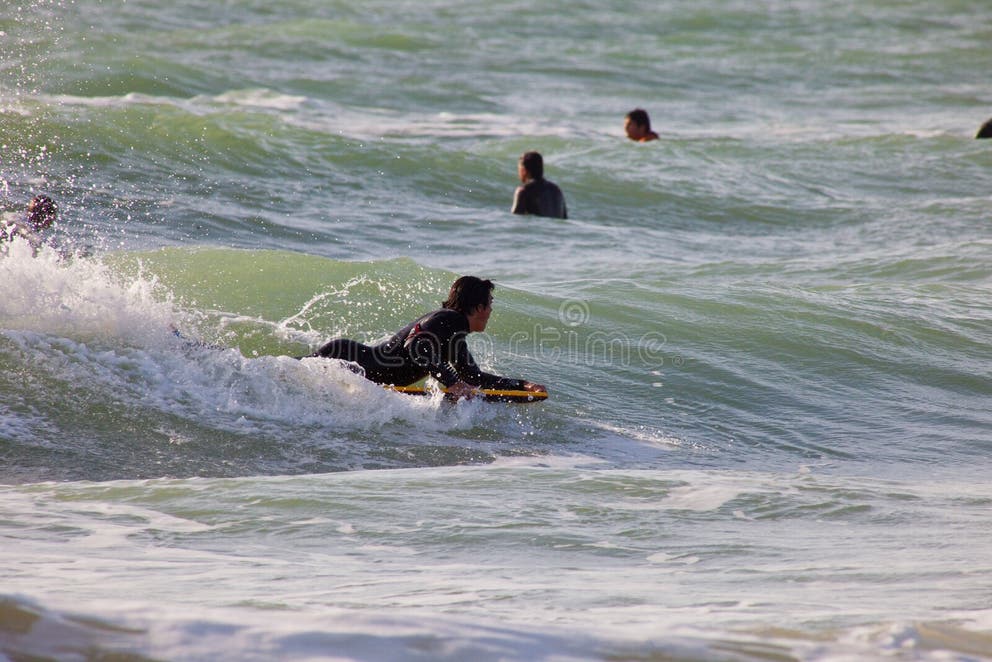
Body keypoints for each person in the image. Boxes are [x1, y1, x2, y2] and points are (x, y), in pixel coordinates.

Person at [306, 276, 547, 399]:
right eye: (490, 304)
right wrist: (451, 382)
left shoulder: (455, 336)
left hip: (352, 365)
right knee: (284, 374)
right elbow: (416, 346)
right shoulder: (448, 319)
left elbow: (473, 377)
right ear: (478, 306)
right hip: (346, 360)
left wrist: (522, 385)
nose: (491, 310)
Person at [511, 151, 567, 219]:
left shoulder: (524, 191)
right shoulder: (556, 190)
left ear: (524, 170)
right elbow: (565, 219)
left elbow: (514, 220)